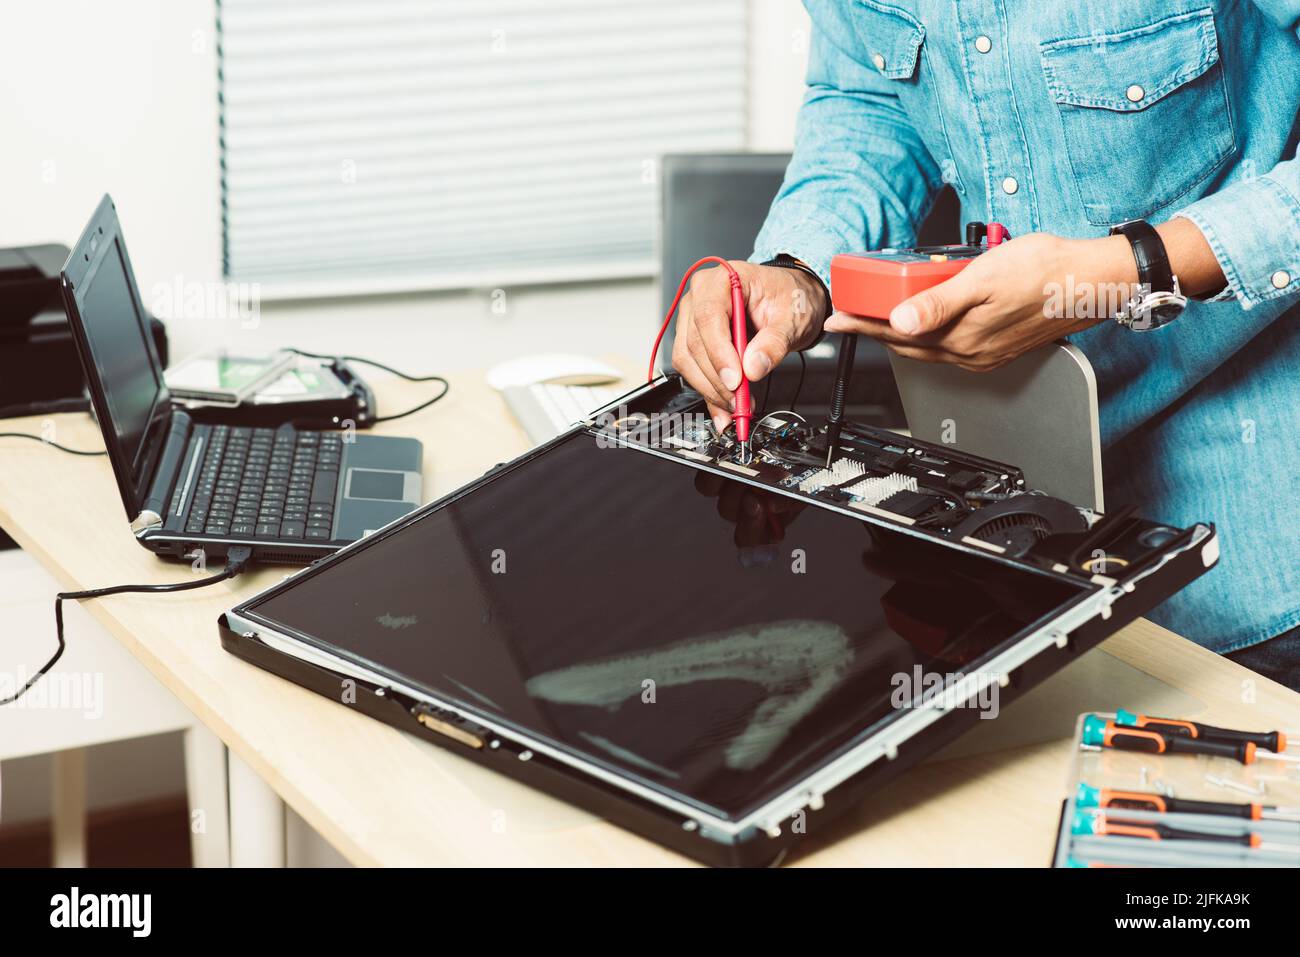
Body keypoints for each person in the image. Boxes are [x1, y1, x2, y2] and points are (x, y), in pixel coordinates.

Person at [671, 1, 1300, 689]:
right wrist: (799, 272)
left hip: (1260, 574)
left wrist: (1127, 271)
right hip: (1015, 561)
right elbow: (866, 105)